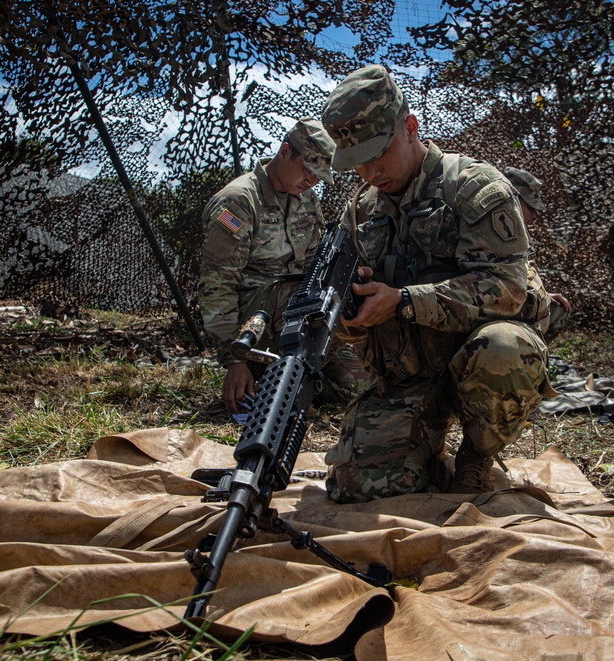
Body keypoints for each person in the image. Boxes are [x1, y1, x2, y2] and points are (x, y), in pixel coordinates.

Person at [320, 65, 557, 502]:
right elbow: (344, 323)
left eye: (379, 152)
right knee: (363, 488)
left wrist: (404, 300)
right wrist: (352, 313)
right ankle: (421, 448)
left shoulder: (474, 187)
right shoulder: (359, 213)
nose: (371, 172)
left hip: (476, 364)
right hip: (409, 375)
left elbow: (507, 286)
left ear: (410, 127)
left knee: (504, 349)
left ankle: (475, 458)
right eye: (358, 163)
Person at [198, 117, 363, 415]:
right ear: (285, 151)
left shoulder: (307, 200)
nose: (312, 181)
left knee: (355, 387)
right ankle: (262, 371)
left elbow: (315, 264)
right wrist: (235, 359)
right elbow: (217, 284)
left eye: (318, 175)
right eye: (308, 170)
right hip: (255, 326)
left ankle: (292, 377)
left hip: (298, 319)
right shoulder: (237, 203)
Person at [502, 167, 573, 343]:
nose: (534, 214)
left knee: (558, 309)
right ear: (515, 201)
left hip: (513, 301)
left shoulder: (516, 232)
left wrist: (542, 295)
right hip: (495, 307)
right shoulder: (496, 231)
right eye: (530, 207)